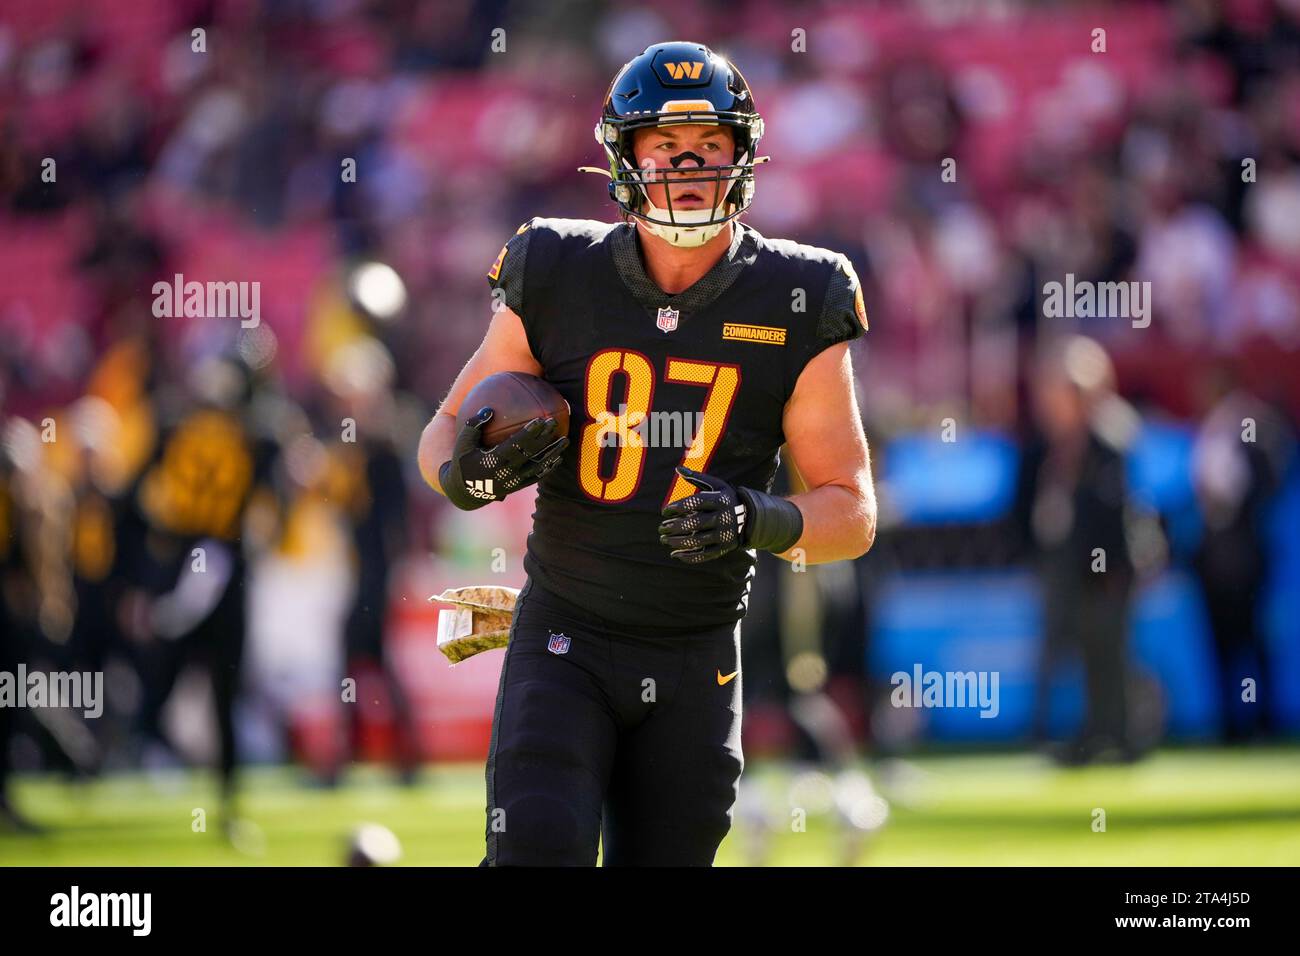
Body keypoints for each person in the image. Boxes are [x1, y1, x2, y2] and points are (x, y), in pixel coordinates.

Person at [417, 42, 876, 866]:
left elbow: (851, 511)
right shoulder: (556, 267)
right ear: (625, 160)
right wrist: (465, 472)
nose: (688, 164)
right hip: (566, 634)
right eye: (665, 147)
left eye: (709, 143)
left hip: (696, 650)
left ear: (743, 155)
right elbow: (441, 435)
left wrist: (756, 515)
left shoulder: (801, 293)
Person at [1024, 336, 1141, 765]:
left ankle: (1119, 738)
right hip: (1063, 565)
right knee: (1064, 650)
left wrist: (1109, 568)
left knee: (1108, 653)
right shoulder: (1044, 449)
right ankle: (1075, 736)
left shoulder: (1109, 442)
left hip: (1104, 569)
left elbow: (1113, 512)